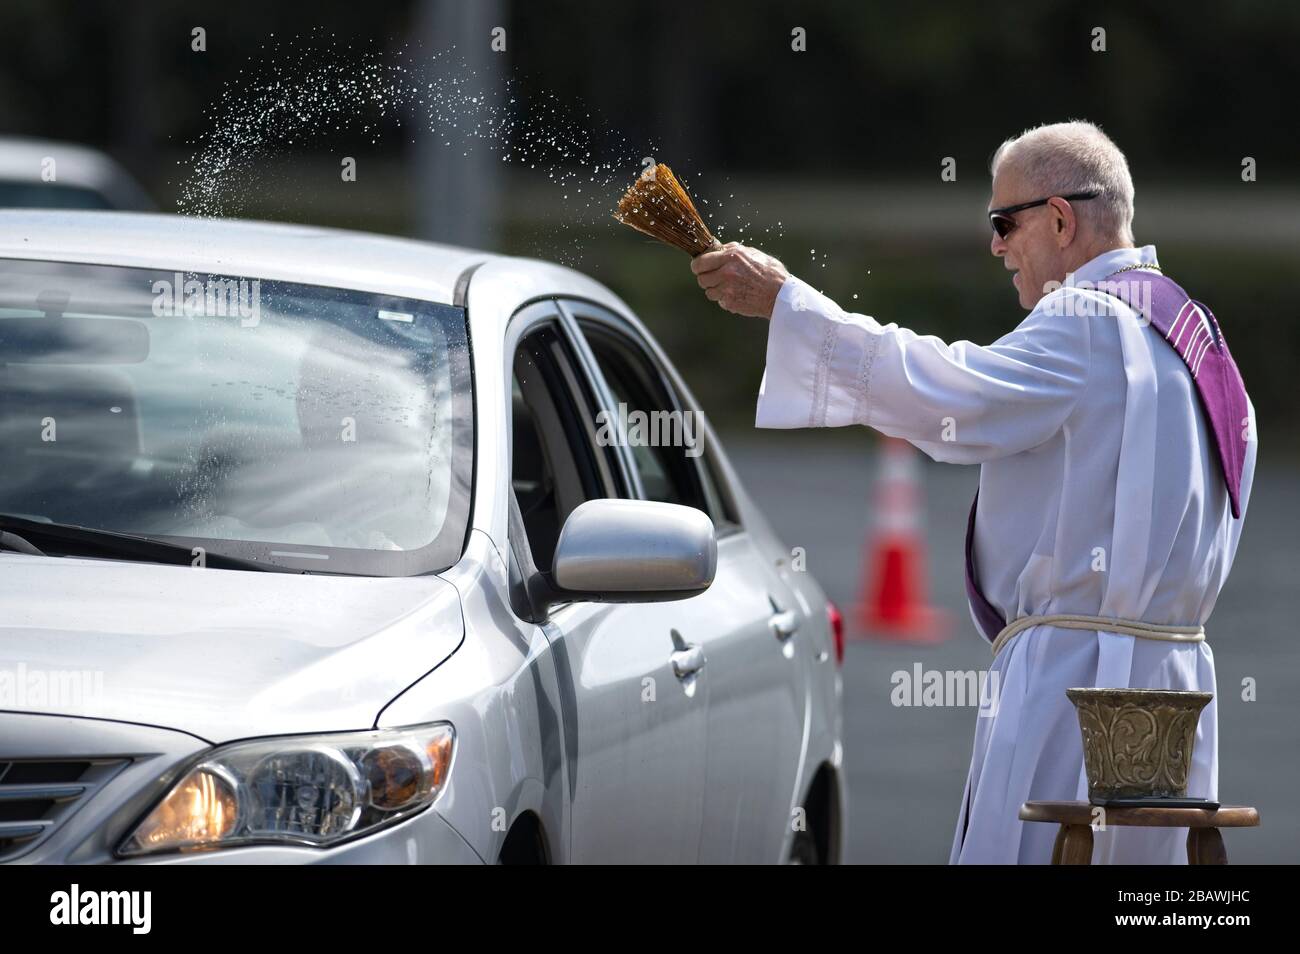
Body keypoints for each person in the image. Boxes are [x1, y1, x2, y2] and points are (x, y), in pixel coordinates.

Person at [690, 120, 1257, 864]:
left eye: (1003, 222)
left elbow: (949, 392)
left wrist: (790, 306)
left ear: (1059, 219)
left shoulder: (1090, 323)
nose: (995, 246)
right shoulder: (1194, 332)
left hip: (1075, 686)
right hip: (1173, 684)